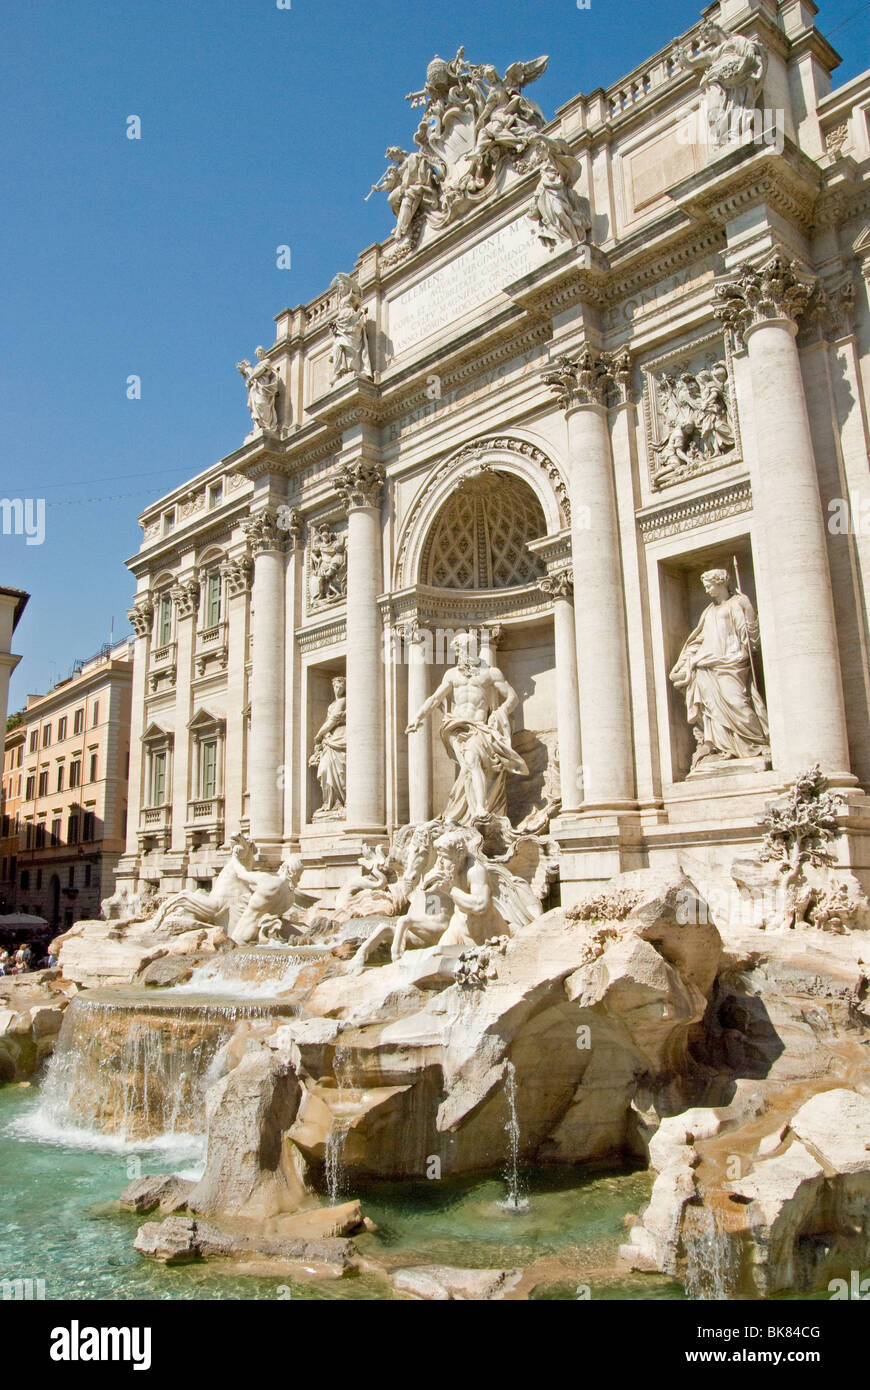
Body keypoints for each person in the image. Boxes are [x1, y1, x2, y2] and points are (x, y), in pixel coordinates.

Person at [406, 632, 527, 822]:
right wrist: (418, 717)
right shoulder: (452, 674)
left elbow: (512, 698)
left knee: (470, 763)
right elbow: (436, 698)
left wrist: (499, 712)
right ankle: (478, 807)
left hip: (479, 727)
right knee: (470, 762)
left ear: (472, 648)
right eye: (457, 651)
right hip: (456, 727)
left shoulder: (490, 673)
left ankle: (470, 809)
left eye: (461, 650)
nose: (459, 654)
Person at [669, 568, 769, 766]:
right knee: (711, 709)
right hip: (707, 665)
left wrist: (745, 649)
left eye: (709, 586)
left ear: (720, 582)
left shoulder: (739, 602)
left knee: (737, 702)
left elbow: (750, 635)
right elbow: (698, 640)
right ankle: (720, 745)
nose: (706, 591)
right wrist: (685, 662)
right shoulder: (709, 611)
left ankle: (755, 743)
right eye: (705, 587)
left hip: (732, 662)